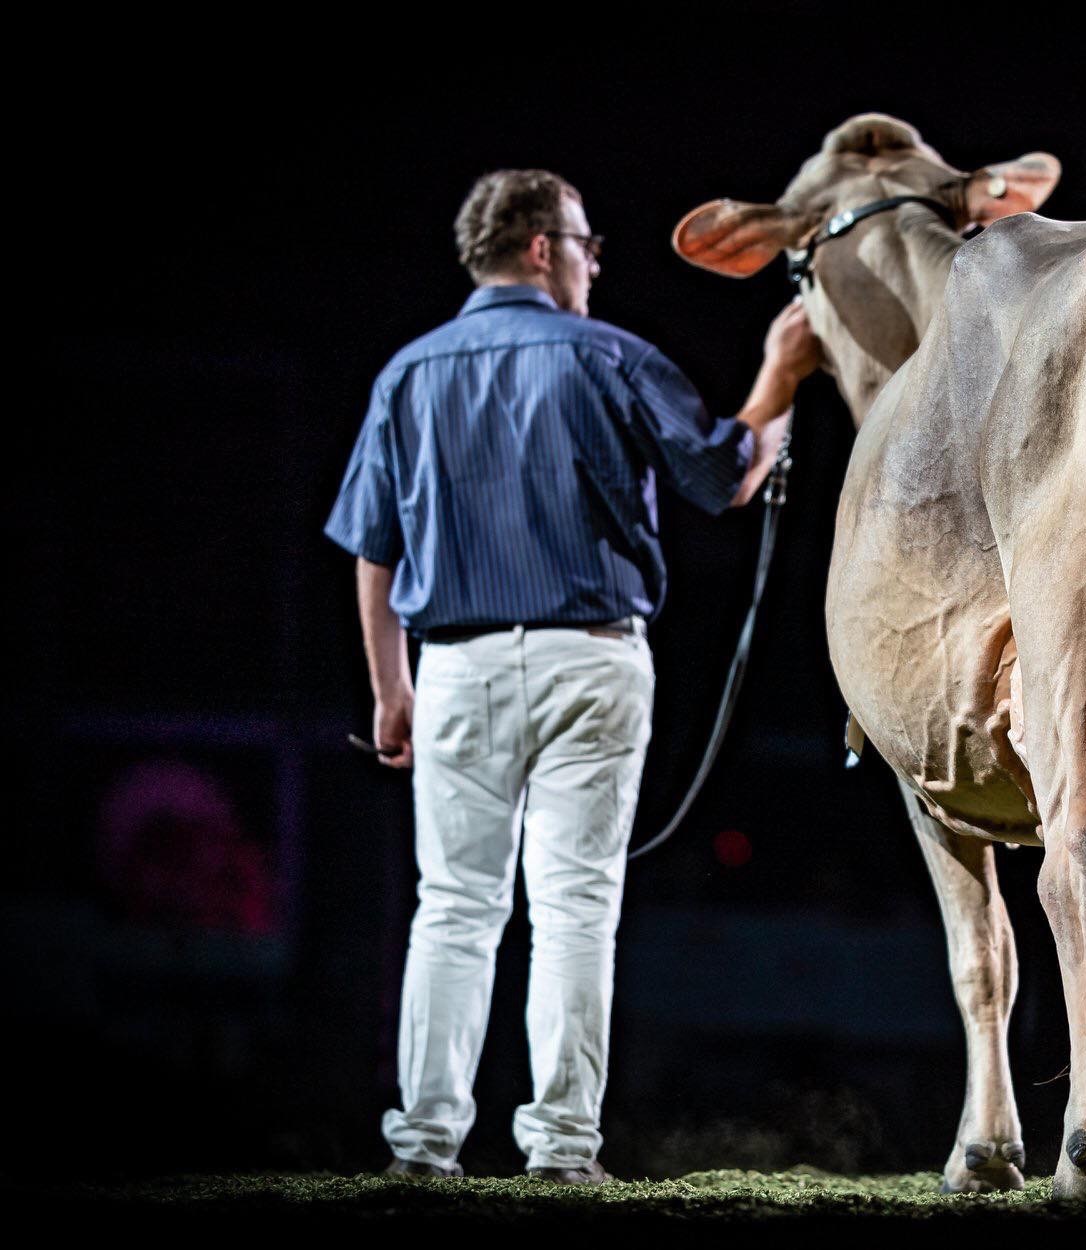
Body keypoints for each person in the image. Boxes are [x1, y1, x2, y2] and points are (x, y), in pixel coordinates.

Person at [323, 168, 819, 1184]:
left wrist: (391, 689)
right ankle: (560, 1148)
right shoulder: (607, 356)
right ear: (544, 249)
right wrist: (777, 376)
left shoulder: (407, 373)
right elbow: (724, 472)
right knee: (575, 908)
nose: (598, 263)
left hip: (453, 663)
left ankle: (422, 1146)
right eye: (588, 244)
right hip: (588, 657)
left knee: (453, 906)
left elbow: (372, 551)